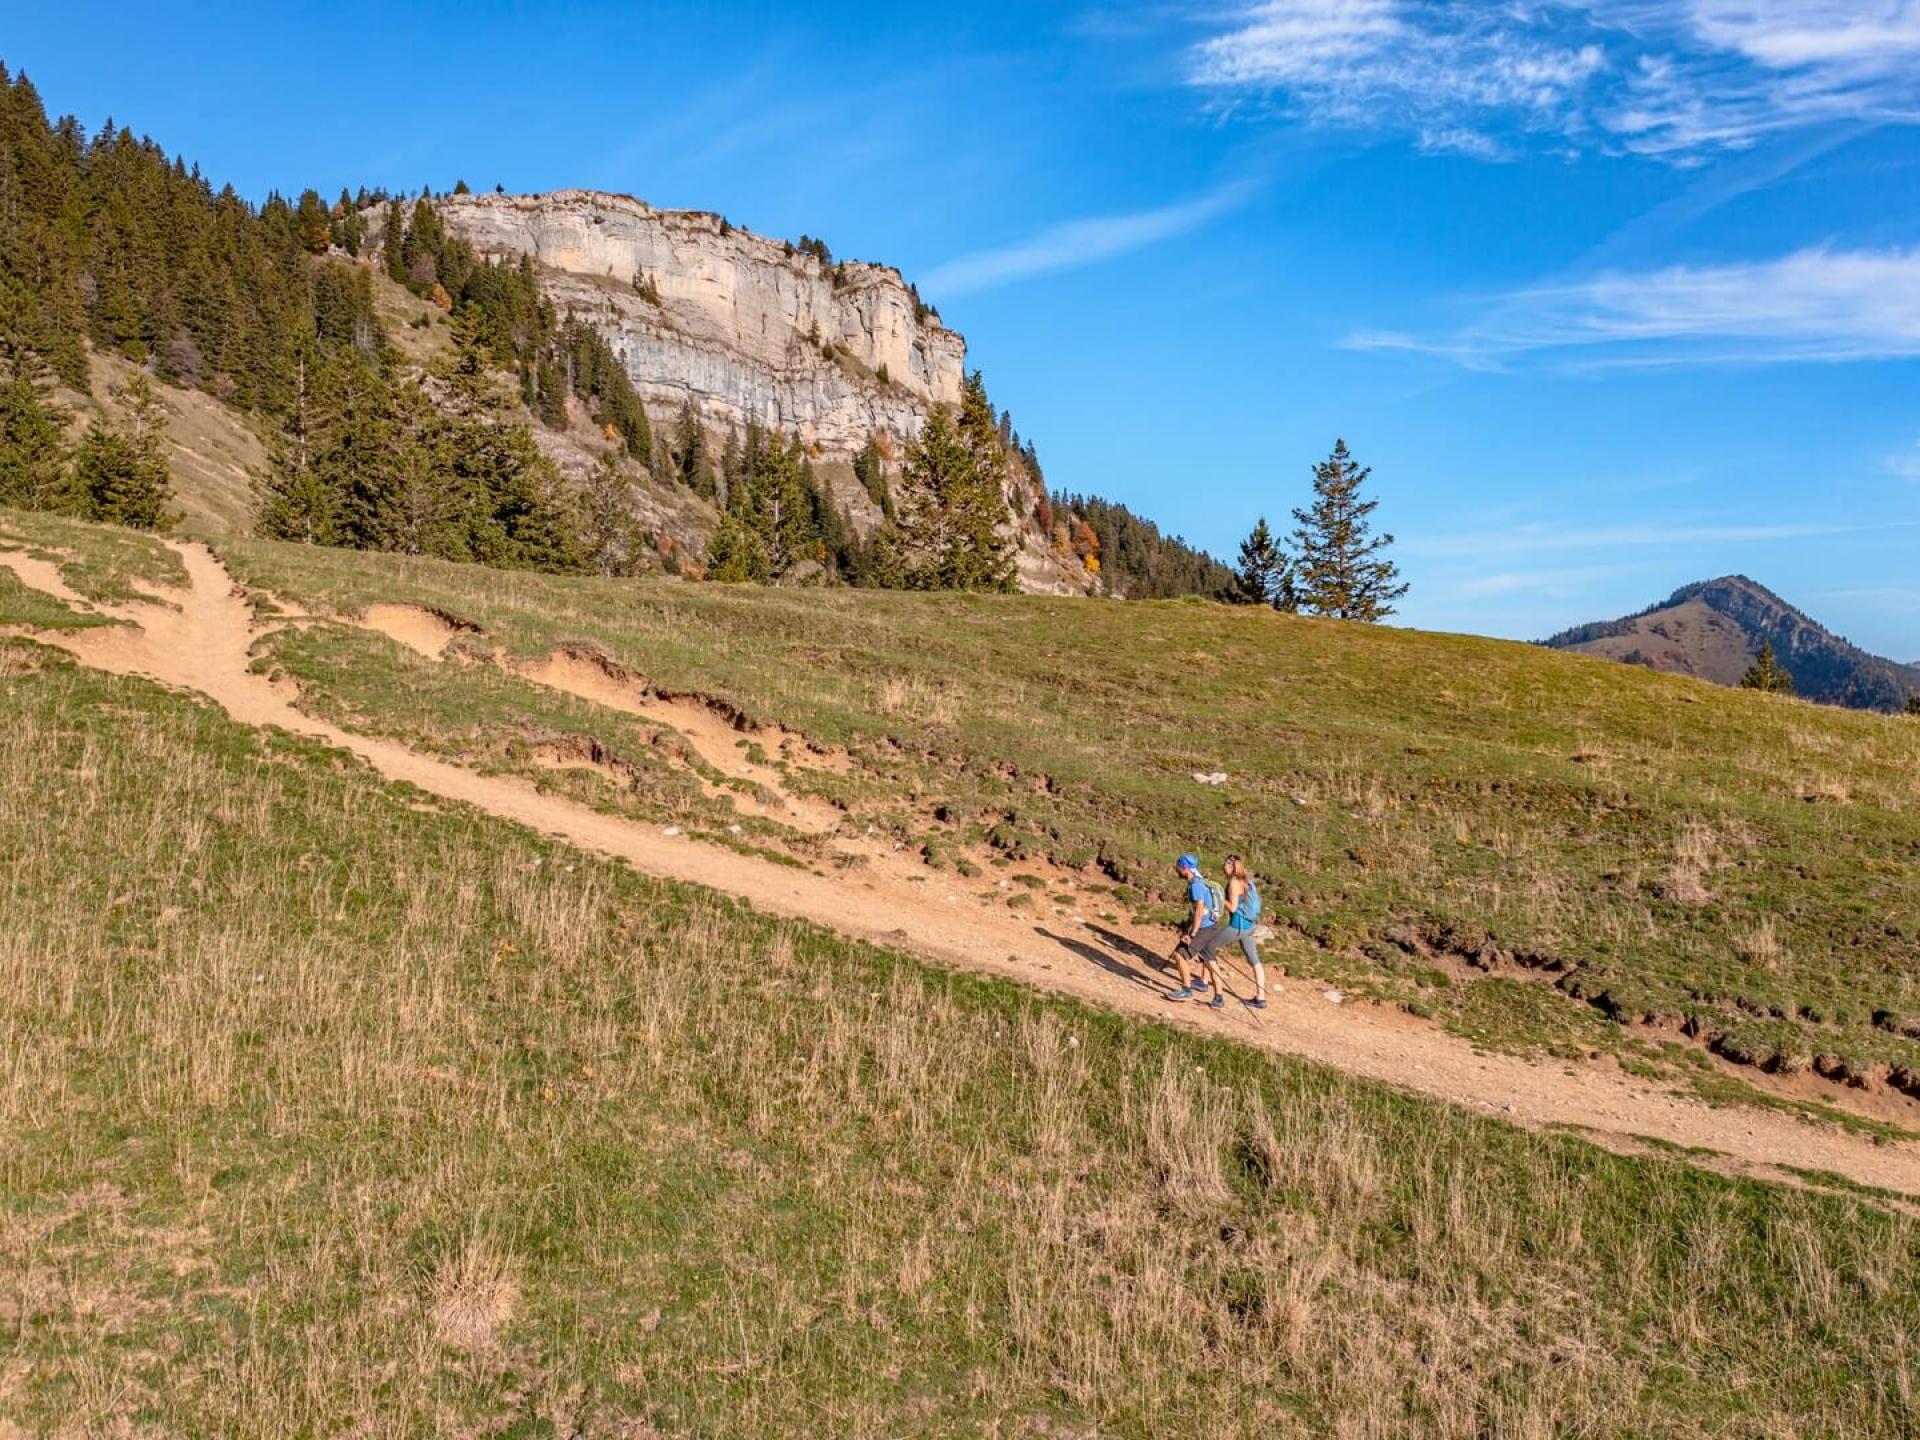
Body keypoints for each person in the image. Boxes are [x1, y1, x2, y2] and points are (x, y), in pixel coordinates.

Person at [1167, 853, 1225, 1006]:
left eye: (1178, 867)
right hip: (1212, 926)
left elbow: (1199, 911)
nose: (1176, 869)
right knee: (1210, 960)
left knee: (1180, 955)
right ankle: (1219, 998)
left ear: (1185, 868)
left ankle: (1186, 990)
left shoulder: (1195, 885)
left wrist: (1192, 934)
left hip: (1203, 929)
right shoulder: (1201, 881)